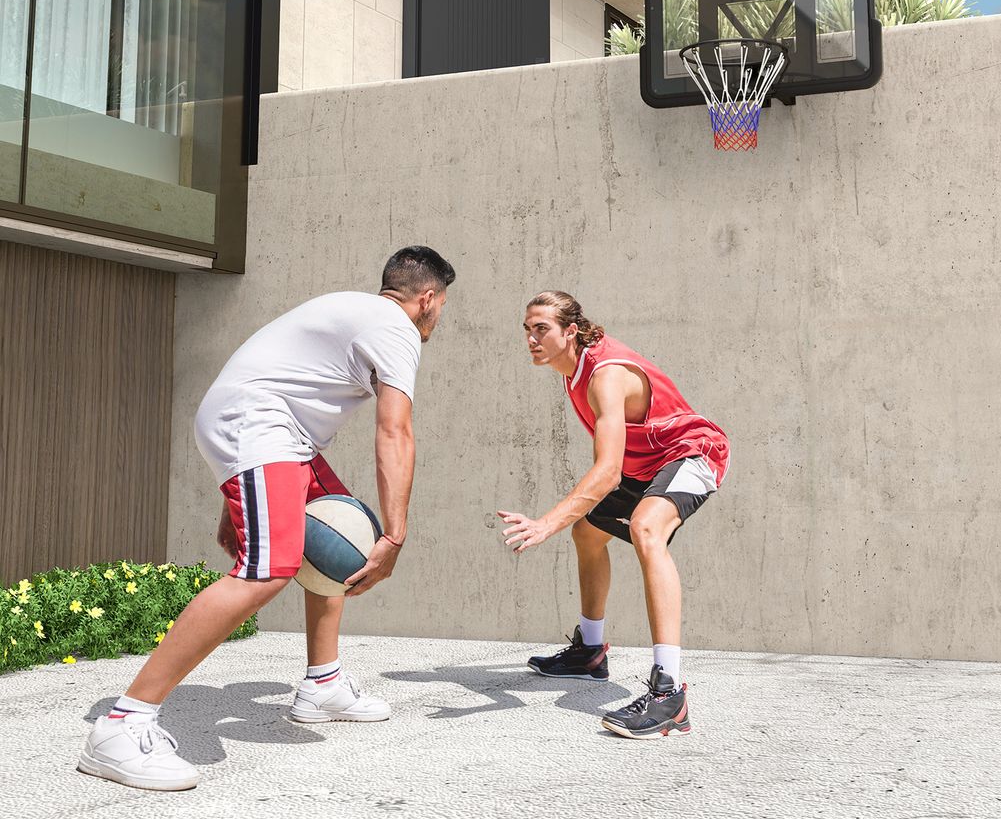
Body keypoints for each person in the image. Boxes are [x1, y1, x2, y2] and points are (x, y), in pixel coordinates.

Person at [78, 246, 455, 790]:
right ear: (427, 299)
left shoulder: (354, 311)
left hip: (267, 428)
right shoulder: (396, 328)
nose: (437, 317)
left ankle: (322, 684)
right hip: (256, 424)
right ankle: (123, 725)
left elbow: (271, 371)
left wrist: (234, 501)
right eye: (440, 306)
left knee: (335, 526)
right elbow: (394, 432)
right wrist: (395, 534)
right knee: (269, 569)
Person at [500, 290, 729, 739]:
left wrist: (546, 522)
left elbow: (605, 473)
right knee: (587, 532)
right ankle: (589, 652)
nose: (531, 338)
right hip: (644, 467)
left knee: (647, 529)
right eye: (527, 329)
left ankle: (669, 694)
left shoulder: (604, 375)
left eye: (541, 329)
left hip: (693, 454)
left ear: (570, 331)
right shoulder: (572, 369)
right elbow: (613, 462)